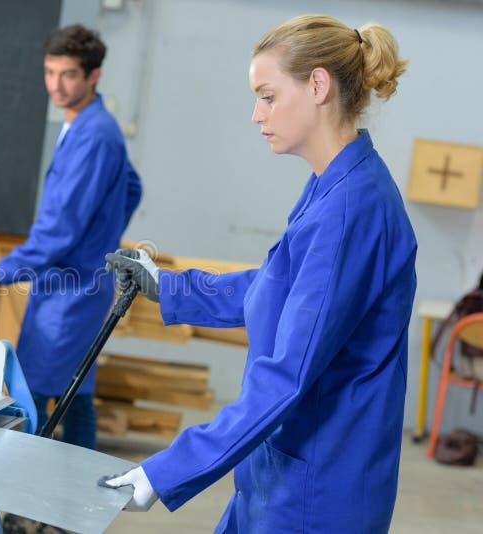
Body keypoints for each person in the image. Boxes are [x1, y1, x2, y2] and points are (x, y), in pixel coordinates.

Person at [101, 14, 416, 533]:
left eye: (267, 96)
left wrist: (168, 471)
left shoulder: (349, 211)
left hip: (318, 494)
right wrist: (172, 286)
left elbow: (286, 375)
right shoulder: (333, 186)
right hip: (282, 468)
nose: (256, 114)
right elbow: (278, 287)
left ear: (318, 85)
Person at [0, 24, 142, 450]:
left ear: (93, 76)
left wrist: (6, 268)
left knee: (37, 393)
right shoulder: (87, 124)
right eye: (50, 72)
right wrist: (103, 235)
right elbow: (132, 187)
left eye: (68, 75)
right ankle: (73, 505)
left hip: (71, 287)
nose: (56, 85)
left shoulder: (93, 135)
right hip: (76, 279)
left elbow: (60, 224)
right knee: (75, 390)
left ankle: (28, 503)